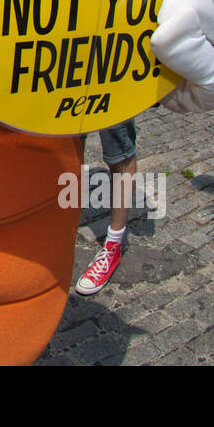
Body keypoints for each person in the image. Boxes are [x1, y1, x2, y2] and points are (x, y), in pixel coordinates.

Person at [76, 118, 138, 295]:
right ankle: (63, 232)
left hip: (116, 91)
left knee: (120, 154)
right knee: (71, 149)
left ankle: (113, 245)